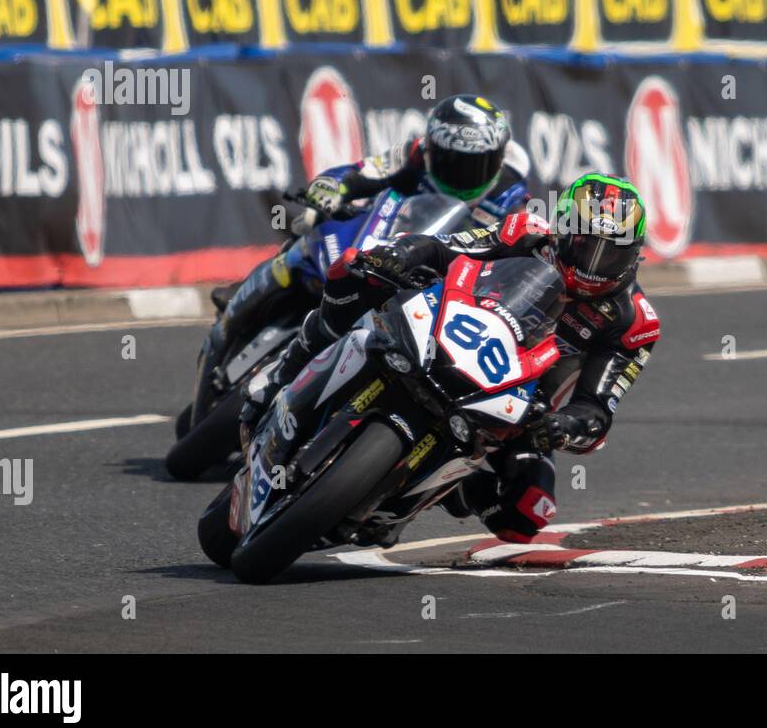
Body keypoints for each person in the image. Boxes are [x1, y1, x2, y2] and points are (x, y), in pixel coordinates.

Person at [242, 173, 661, 543]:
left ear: (634, 252)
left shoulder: (632, 322)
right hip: (451, 331)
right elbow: (447, 248)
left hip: (521, 405)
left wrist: (565, 425)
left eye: (611, 253)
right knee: (353, 272)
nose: (593, 265)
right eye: (586, 246)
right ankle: (284, 373)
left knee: (526, 514)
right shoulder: (525, 232)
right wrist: (402, 255)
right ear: (564, 233)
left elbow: (598, 407)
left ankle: (430, 490)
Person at [194, 95, 529, 429]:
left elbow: (509, 260)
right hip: (379, 238)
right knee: (308, 223)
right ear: (431, 149)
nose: (461, 174)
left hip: (427, 273)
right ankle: (244, 294)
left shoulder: (511, 198)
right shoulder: (412, 155)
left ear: (498, 159)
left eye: (474, 164)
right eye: (450, 160)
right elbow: (361, 172)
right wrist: (333, 186)